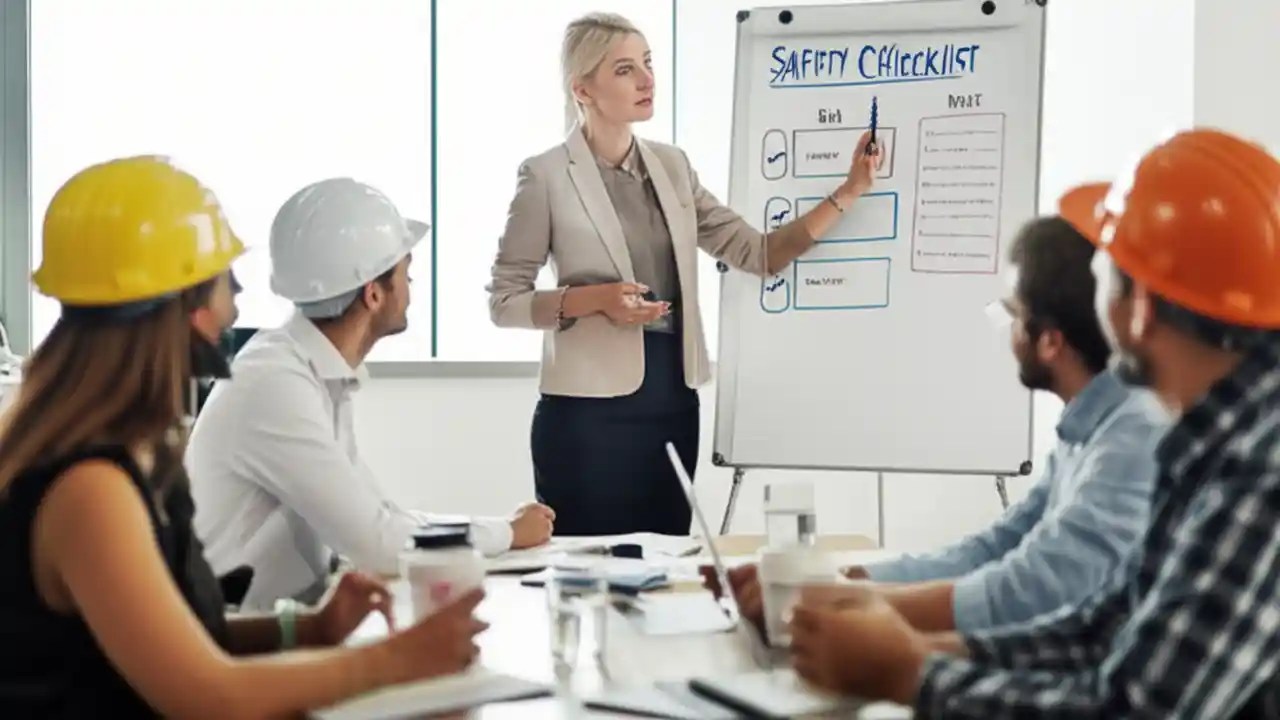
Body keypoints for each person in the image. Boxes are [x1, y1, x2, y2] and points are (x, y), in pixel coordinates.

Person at [786, 128, 1280, 717]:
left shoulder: (1258, 472)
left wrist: (911, 673)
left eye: (1104, 265)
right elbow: (1103, 633)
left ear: (1142, 306)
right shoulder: (1210, 443)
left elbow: (1134, 710)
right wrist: (912, 645)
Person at [0, 156, 487, 717]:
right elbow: (207, 696)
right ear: (184, 308)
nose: (234, 305)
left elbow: (176, 638)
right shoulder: (90, 489)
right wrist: (394, 659)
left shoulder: (128, 454)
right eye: (223, 281)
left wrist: (308, 629)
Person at [486, 12, 879, 535]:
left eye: (647, 63)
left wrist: (849, 192)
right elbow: (504, 301)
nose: (647, 79)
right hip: (585, 416)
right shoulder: (545, 175)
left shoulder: (672, 167)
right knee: (584, 567)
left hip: (672, 403)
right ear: (583, 89)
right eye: (625, 69)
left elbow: (759, 253)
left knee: (668, 565)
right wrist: (595, 299)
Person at [719, 215, 1168, 634]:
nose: (1006, 330)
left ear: (1050, 342)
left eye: (1011, 314)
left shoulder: (1132, 437)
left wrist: (840, 602)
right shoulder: (1087, 427)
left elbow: (1036, 587)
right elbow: (997, 547)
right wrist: (842, 580)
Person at [188, 178, 555, 610]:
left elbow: (383, 517)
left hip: (284, 618)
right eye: (406, 274)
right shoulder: (275, 384)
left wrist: (501, 527)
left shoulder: (308, 372)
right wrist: (507, 534)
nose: (411, 289)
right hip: (240, 632)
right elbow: (378, 543)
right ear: (374, 293)